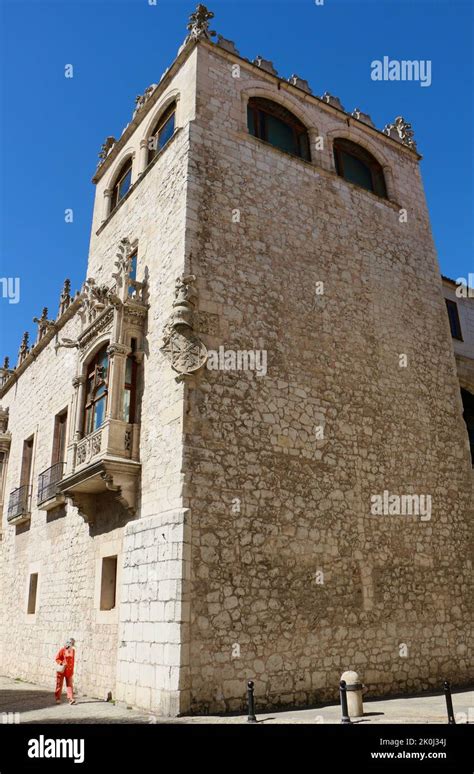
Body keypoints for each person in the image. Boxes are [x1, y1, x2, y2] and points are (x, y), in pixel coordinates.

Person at [55, 638, 76, 705]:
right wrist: (61, 663)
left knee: (70, 685)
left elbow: (72, 661)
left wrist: (72, 670)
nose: (71, 645)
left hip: (69, 671)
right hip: (61, 670)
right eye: (71, 644)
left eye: (72, 644)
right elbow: (57, 658)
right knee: (59, 685)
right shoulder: (62, 650)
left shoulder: (73, 651)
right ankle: (57, 698)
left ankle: (71, 699)